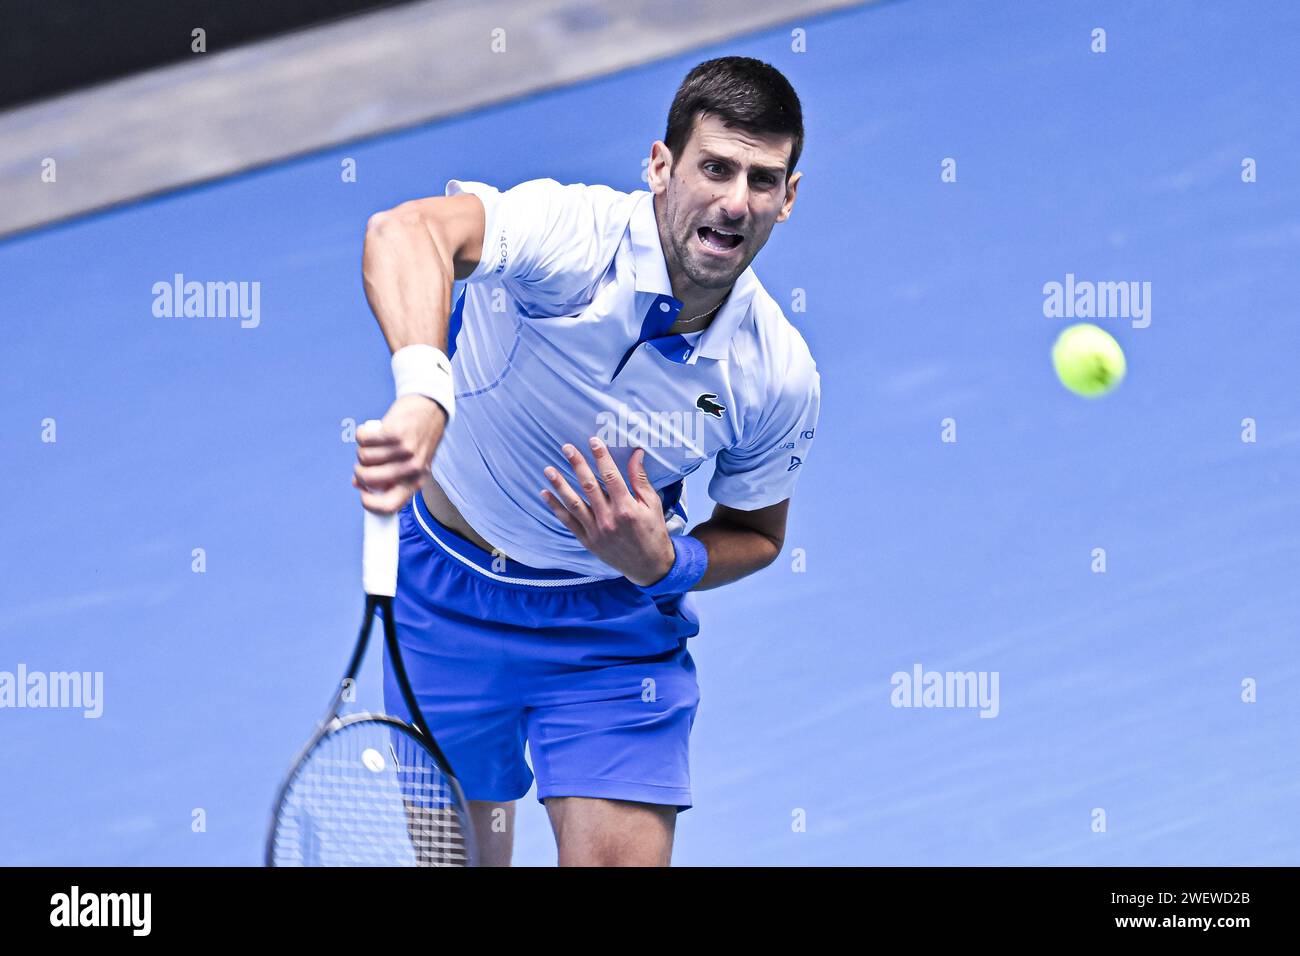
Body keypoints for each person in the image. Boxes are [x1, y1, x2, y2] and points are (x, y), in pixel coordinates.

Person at [354, 55, 819, 866]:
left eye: (762, 179)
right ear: (661, 166)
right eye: (715, 168)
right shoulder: (572, 236)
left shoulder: (775, 373)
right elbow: (406, 231)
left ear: (789, 196)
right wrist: (425, 389)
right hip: (447, 605)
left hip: (610, 633)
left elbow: (757, 531)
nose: (736, 201)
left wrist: (667, 560)